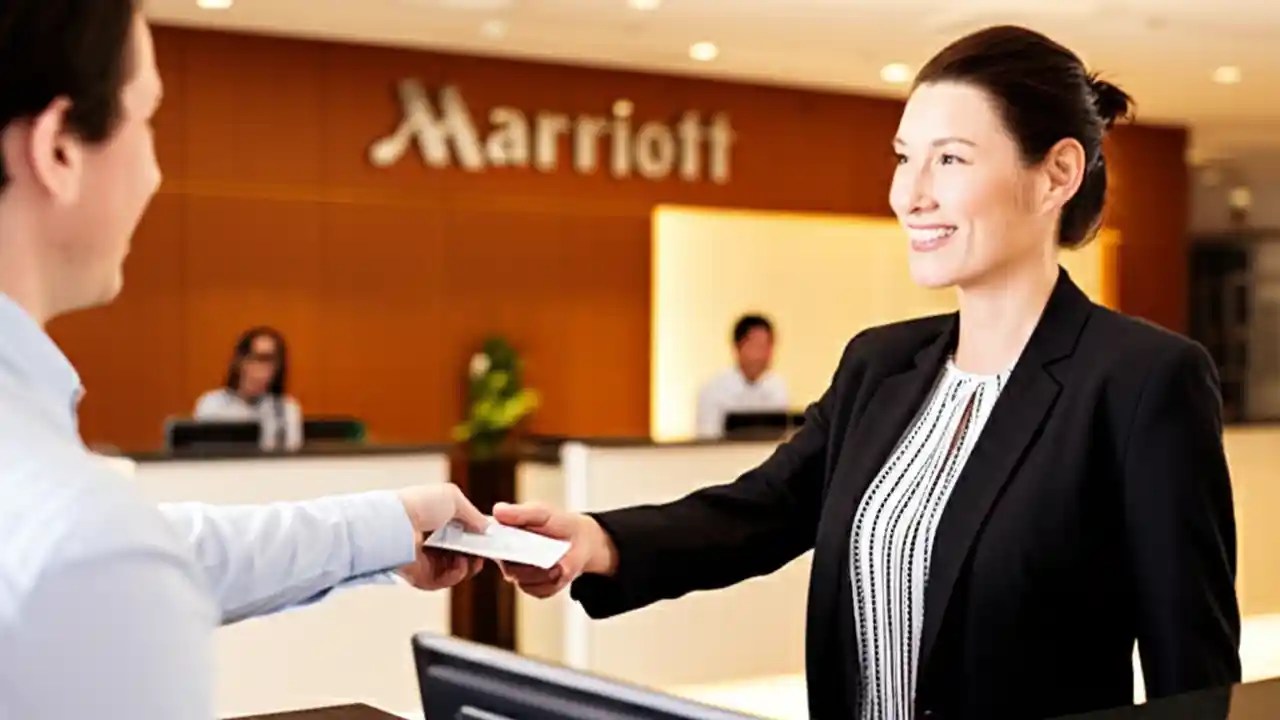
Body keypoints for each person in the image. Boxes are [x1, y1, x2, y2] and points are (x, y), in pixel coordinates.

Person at [495, 25, 1241, 720]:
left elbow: (1195, 675)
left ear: (1057, 175)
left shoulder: (1144, 381)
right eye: (903, 156)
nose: (908, 194)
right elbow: (760, 511)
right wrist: (593, 539)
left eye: (949, 159)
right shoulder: (879, 365)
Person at [0, 4, 485, 718]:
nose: (156, 174)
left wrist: (384, 524)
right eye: (148, 119)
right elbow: (118, 561)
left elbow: (173, 549)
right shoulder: (82, 549)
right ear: (59, 151)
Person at [195, 326, 303, 451]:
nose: (261, 370)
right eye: (257, 358)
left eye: (270, 361)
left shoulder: (286, 410)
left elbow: (292, 464)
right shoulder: (212, 404)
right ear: (239, 361)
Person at [695, 313, 790, 438]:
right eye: (757, 346)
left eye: (768, 346)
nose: (763, 355)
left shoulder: (777, 386)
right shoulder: (713, 390)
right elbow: (707, 440)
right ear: (738, 347)